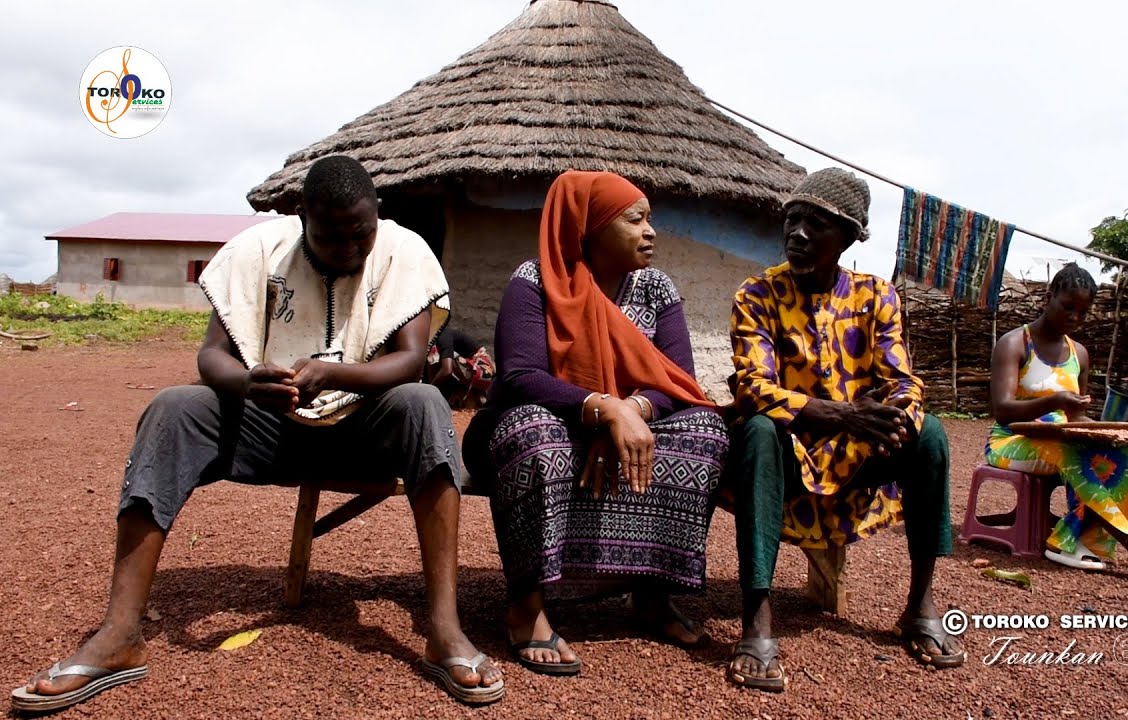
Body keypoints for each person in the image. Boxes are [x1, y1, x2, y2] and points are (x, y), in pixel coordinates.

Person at [11, 156, 505, 712]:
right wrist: (249, 383)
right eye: (330, 234)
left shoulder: (406, 252)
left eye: (360, 233)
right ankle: (120, 633)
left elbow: (412, 363)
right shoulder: (257, 252)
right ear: (300, 216)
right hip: (270, 427)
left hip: (366, 429)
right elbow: (210, 358)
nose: (347, 247)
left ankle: (444, 631)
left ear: (378, 216)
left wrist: (335, 373)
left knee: (423, 403)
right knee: (174, 409)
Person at [462, 170, 729, 677]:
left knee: (705, 433)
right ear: (592, 226)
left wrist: (635, 411)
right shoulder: (535, 280)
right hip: (538, 418)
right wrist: (605, 408)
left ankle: (651, 593)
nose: (651, 231)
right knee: (534, 436)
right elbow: (520, 376)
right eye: (635, 220)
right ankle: (528, 606)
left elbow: (679, 381)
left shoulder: (655, 288)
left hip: (626, 418)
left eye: (651, 220)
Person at [727, 168, 965, 692]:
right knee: (759, 431)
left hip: (857, 453)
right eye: (792, 220)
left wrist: (898, 419)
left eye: (816, 223)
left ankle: (920, 604)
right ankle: (757, 619)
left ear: (851, 235)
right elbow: (752, 387)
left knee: (931, 436)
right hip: (791, 447)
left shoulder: (876, 295)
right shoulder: (758, 294)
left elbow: (901, 380)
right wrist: (843, 413)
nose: (798, 233)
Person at [986, 263, 1128, 587]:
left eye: (1082, 312)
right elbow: (1003, 411)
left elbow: (1076, 418)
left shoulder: (1080, 354)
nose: (1075, 317)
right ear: (1048, 297)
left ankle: (1073, 540)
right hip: (1011, 441)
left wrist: (1115, 433)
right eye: (1068, 307)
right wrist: (1054, 402)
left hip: (1062, 440)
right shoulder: (1015, 343)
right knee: (1071, 451)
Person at [425, 326, 495, 409]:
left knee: (436, 355)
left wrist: (427, 392)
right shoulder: (433, 338)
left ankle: (462, 395)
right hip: (465, 371)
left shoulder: (442, 336)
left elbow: (447, 370)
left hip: (481, 370)